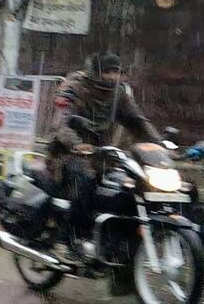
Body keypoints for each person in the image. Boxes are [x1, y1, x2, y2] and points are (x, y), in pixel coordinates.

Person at [49, 52, 163, 253]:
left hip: (103, 156)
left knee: (128, 187)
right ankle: (67, 238)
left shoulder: (119, 94)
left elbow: (137, 121)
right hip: (67, 154)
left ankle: (116, 240)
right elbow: (61, 123)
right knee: (83, 179)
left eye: (116, 72)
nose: (112, 76)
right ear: (96, 72)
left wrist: (159, 145)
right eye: (107, 72)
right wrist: (77, 144)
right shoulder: (74, 87)